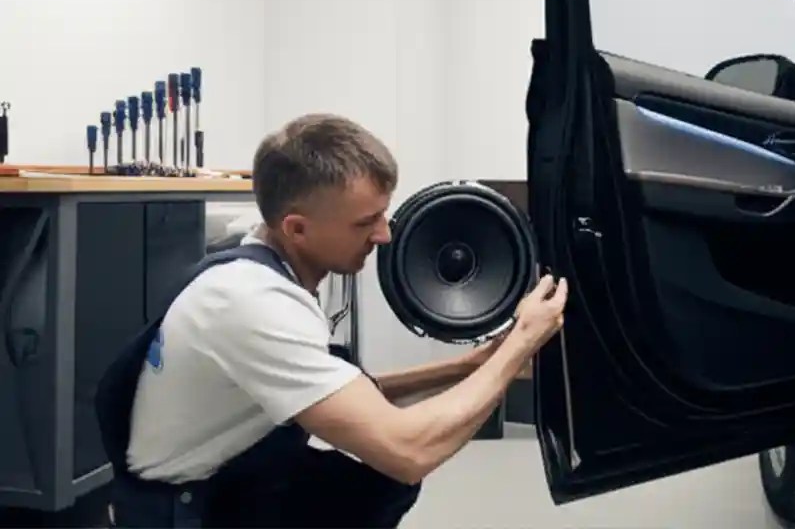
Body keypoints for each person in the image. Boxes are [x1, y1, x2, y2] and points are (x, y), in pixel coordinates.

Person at [97, 113, 568, 528]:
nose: (384, 236)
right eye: (366, 222)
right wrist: (518, 346)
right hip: (179, 510)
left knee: (368, 488)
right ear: (297, 229)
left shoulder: (260, 262)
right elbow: (408, 451)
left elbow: (345, 394)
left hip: (230, 471)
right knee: (388, 468)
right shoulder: (253, 303)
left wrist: (473, 364)